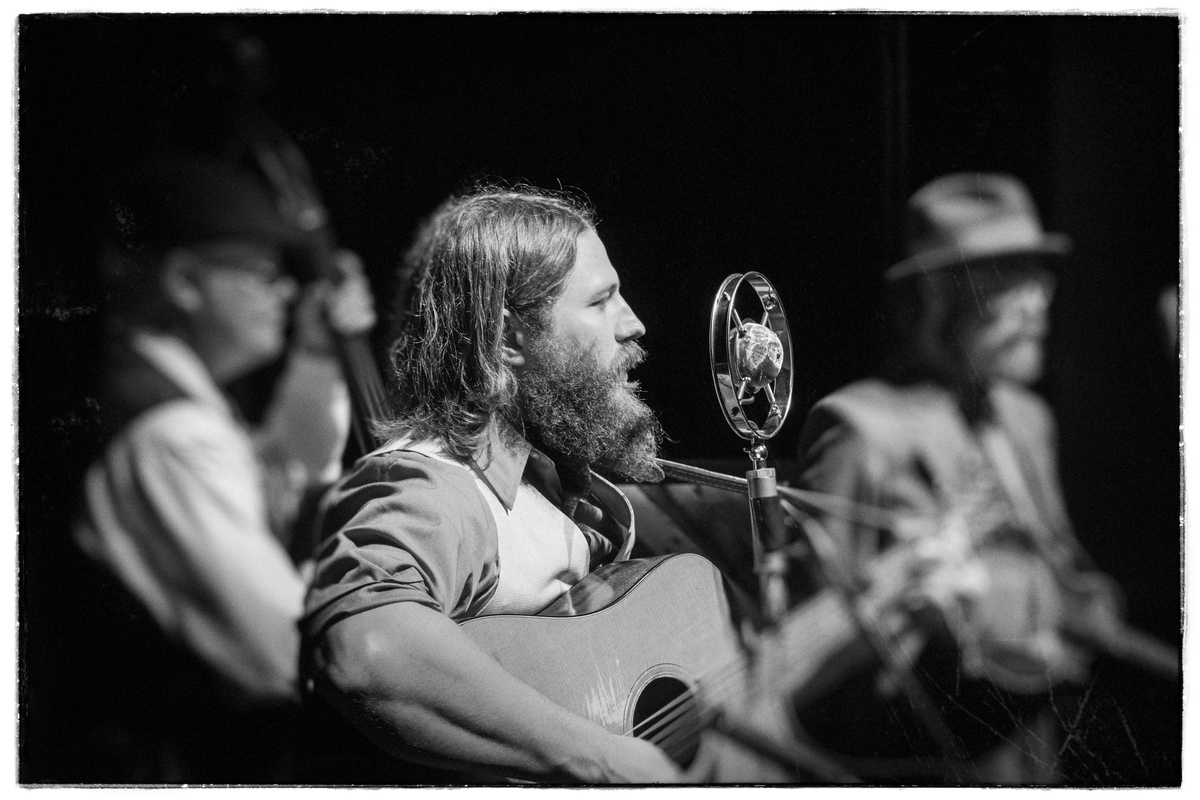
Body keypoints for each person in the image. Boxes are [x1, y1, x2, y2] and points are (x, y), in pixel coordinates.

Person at [793, 173, 1125, 784]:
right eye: (1002, 277)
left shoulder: (1026, 418)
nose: (1036, 301)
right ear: (933, 301)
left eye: (1037, 273)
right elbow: (813, 663)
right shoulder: (863, 428)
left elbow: (1068, 574)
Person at [73, 151, 376, 781]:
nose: (288, 291)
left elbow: (273, 477)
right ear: (186, 282)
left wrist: (317, 356)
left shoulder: (179, 406)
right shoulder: (171, 435)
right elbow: (286, 653)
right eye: (263, 273)